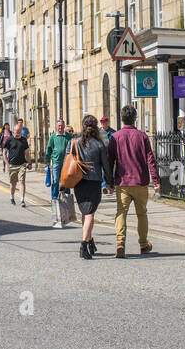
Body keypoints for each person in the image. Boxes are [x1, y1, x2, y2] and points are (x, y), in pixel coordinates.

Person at [107, 104, 160, 258]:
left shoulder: (115, 137)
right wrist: (155, 180)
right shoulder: (142, 136)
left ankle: (120, 243)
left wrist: (109, 182)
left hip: (122, 183)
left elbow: (110, 161)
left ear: (121, 119)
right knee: (142, 214)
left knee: (121, 213)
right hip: (140, 182)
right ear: (135, 119)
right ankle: (143, 245)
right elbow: (151, 159)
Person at [71, 115, 114, 259]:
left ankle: (89, 240)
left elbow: (68, 161)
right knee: (89, 213)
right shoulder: (99, 144)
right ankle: (84, 244)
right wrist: (109, 182)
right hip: (94, 181)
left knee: (85, 212)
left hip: (78, 182)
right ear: (96, 127)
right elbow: (106, 165)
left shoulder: (75, 142)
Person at [44, 120, 73, 228]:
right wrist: (47, 160)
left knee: (66, 182)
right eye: (59, 126)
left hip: (67, 163)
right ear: (56, 127)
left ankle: (66, 199)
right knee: (56, 181)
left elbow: (72, 148)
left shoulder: (68, 137)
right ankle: (55, 198)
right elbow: (49, 149)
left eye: (62, 126)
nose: (60, 127)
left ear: (64, 126)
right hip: (56, 162)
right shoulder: (53, 137)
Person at [4, 119, 31, 207]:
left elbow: (27, 153)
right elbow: (4, 153)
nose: (18, 133)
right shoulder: (9, 140)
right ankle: (12, 196)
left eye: (19, 131)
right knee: (13, 184)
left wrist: (29, 163)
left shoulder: (24, 140)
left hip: (22, 164)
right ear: (13, 131)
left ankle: (22, 200)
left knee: (22, 181)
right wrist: (7, 164)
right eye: (16, 131)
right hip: (12, 165)